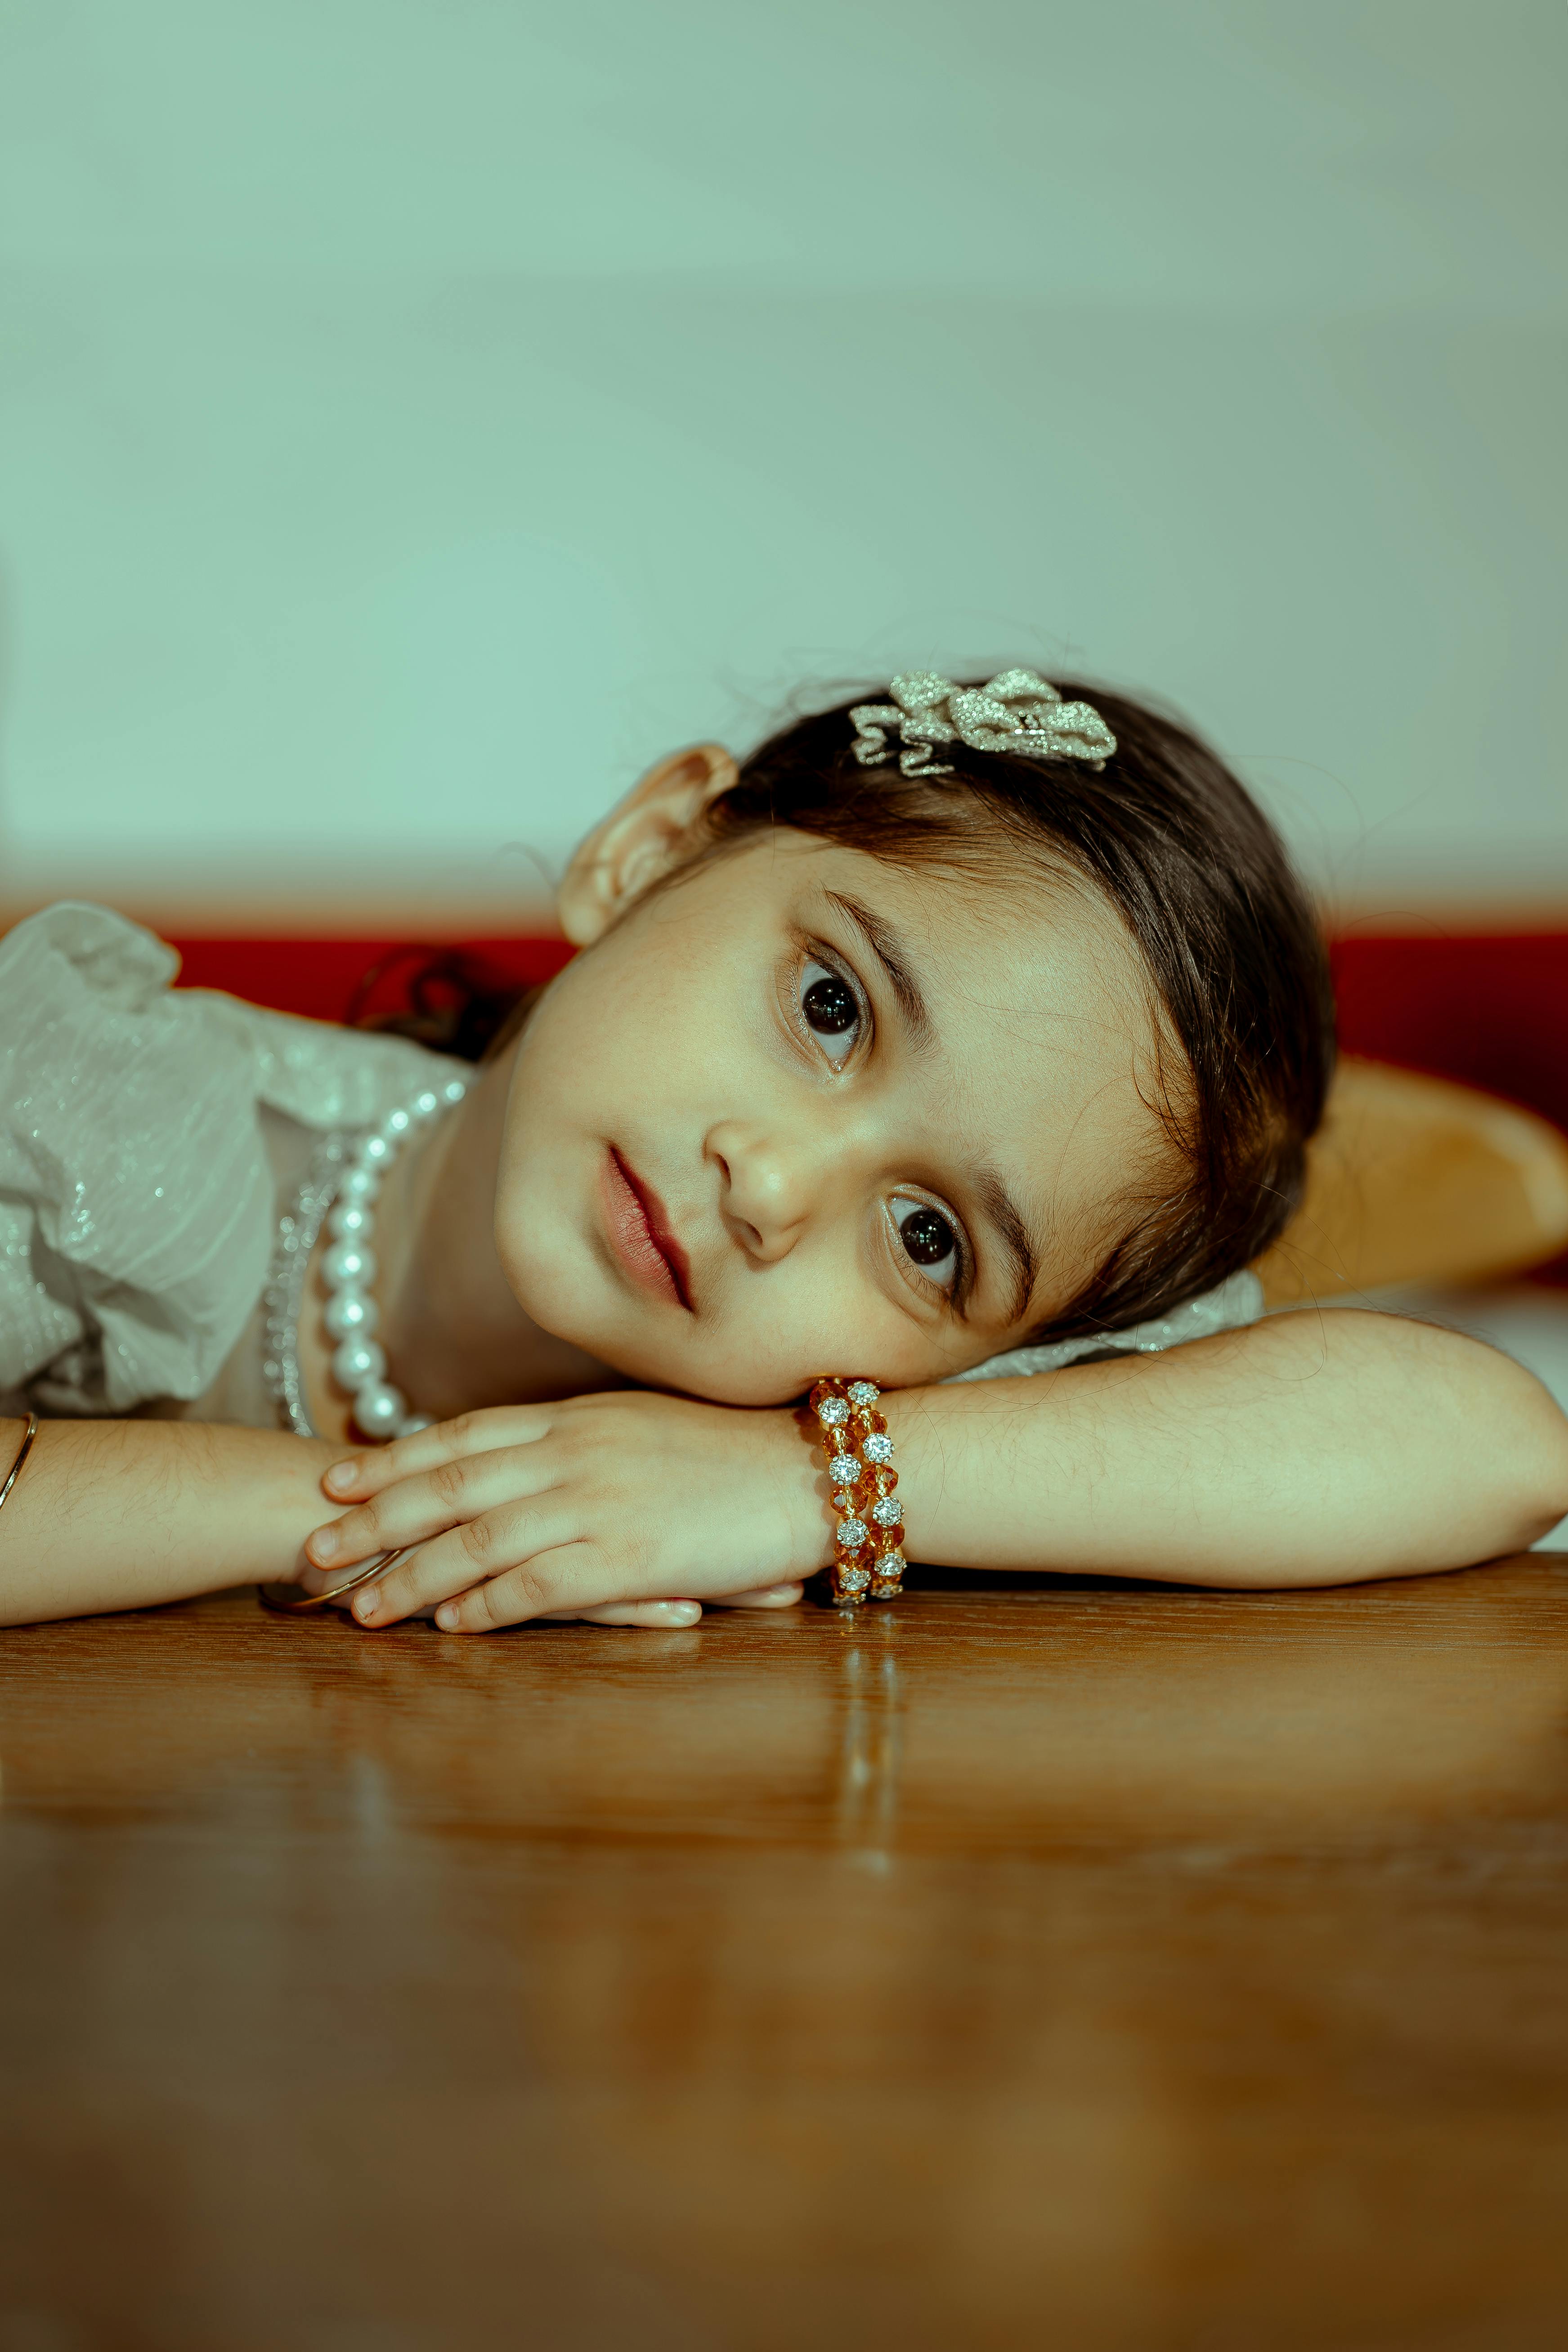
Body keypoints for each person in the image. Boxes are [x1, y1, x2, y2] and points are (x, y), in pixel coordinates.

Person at [1, 669, 1564, 1631]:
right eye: (832, 1005)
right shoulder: (94, 1132)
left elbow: (1493, 1444)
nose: (776, 1186)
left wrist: (815, 1486)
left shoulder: (854, 1410)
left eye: (931, 1237)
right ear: (653, 848)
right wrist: (411, 1511)